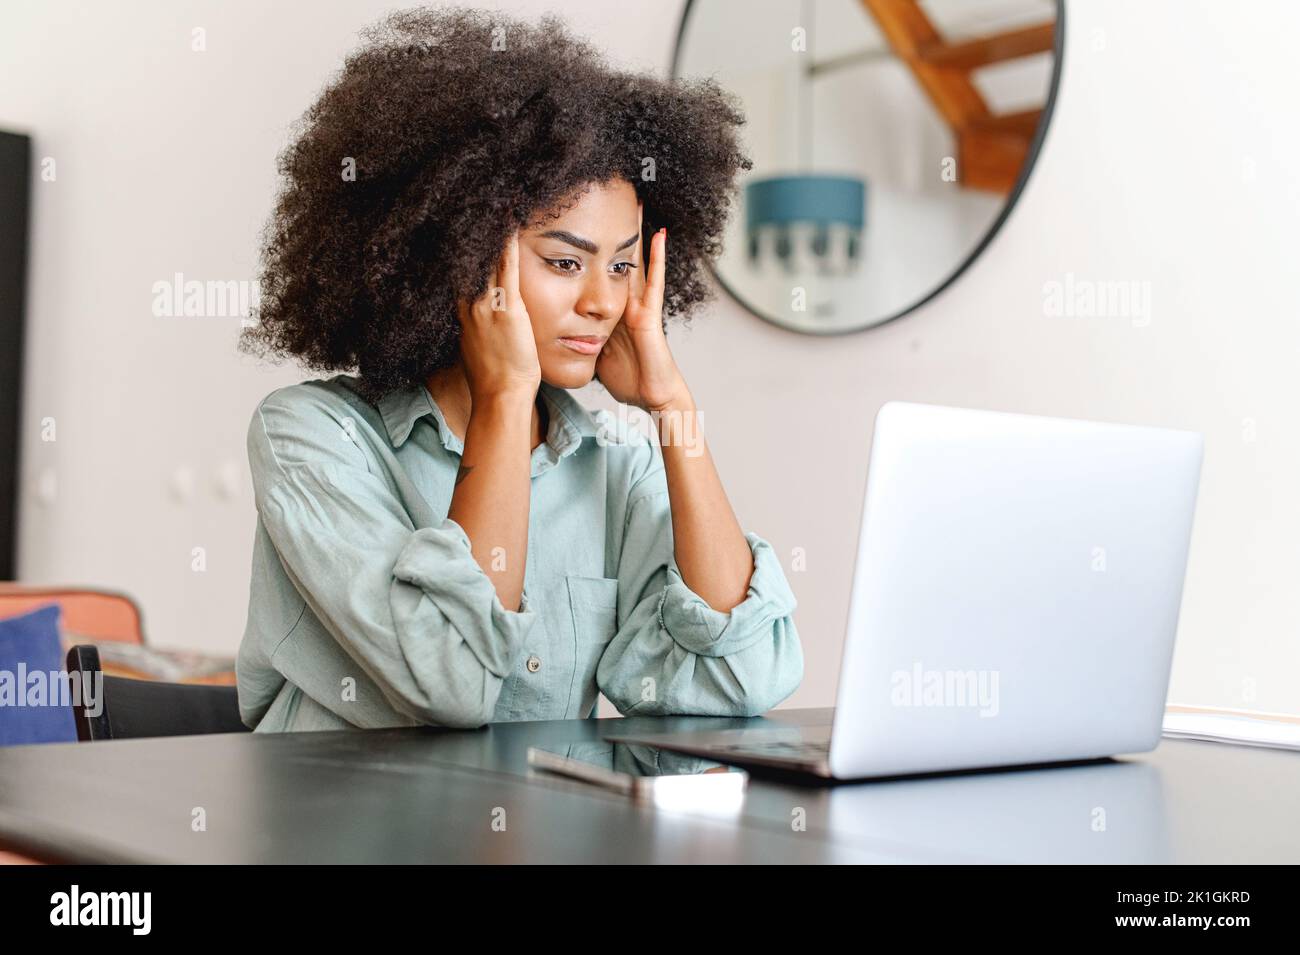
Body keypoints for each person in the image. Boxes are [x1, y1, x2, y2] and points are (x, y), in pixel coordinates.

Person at [234, 6, 803, 732]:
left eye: (623, 266)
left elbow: (743, 677)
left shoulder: (614, 467)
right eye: (565, 262)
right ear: (464, 253)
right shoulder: (310, 436)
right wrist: (504, 394)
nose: (602, 301)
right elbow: (451, 681)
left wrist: (671, 407)